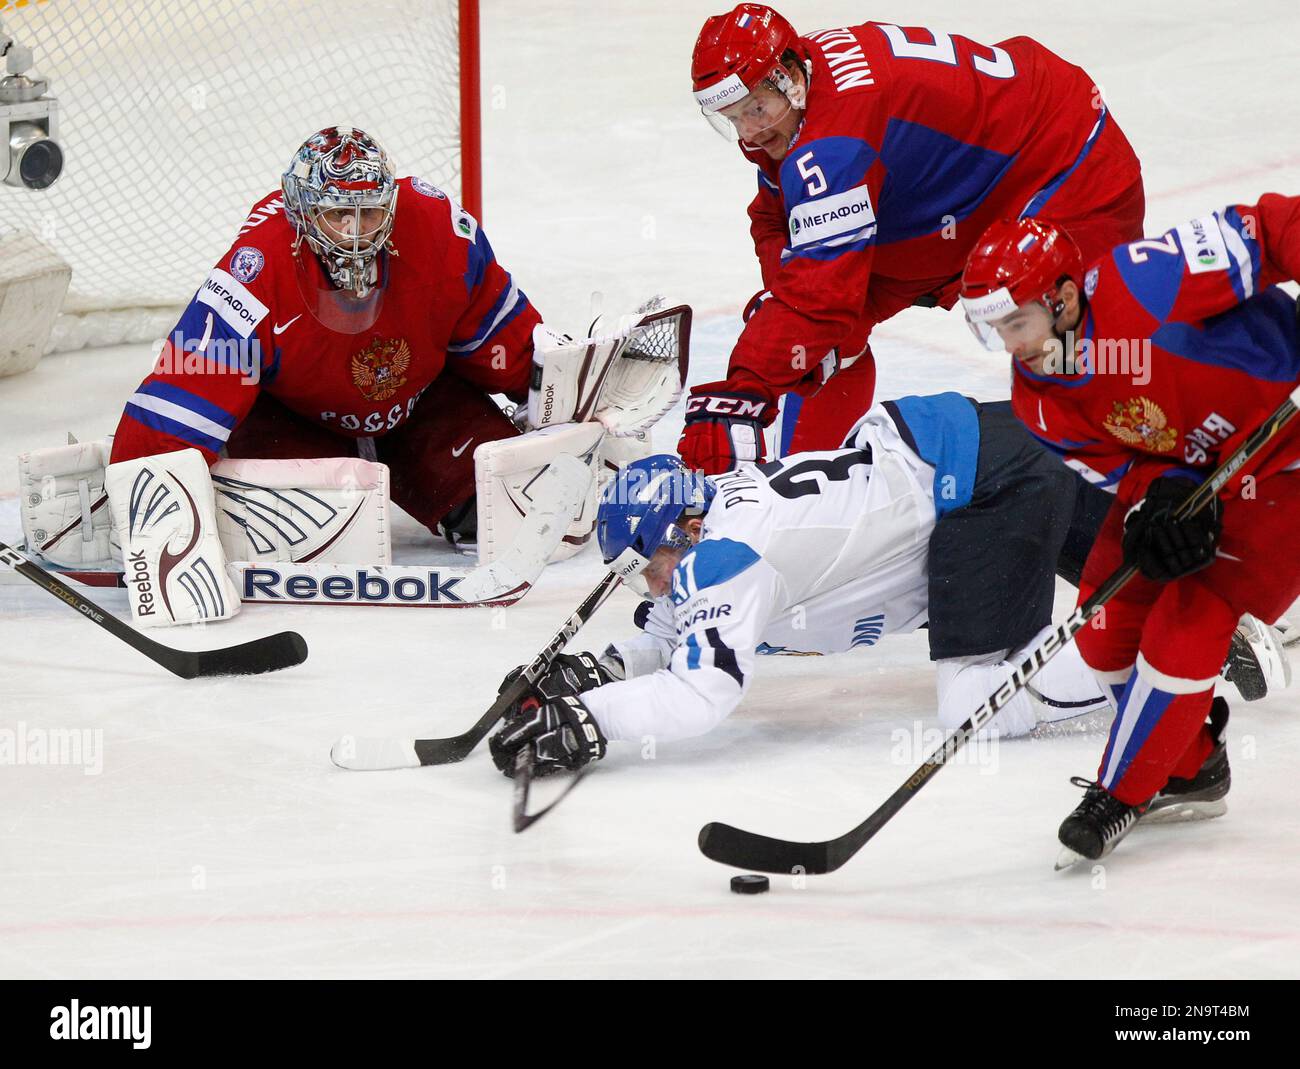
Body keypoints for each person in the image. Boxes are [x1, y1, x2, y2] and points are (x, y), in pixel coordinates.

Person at [488, 397, 1118, 778]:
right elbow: (681, 638)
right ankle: (1164, 626)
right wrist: (599, 672)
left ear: (686, 527)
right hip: (980, 452)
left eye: (650, 567)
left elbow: (702, 692)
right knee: (1145, 560)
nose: (654, 589)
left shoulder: (726, 558)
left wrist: (589, 719)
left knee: (975, 707)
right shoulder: (718, 527)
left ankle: (1143, 664)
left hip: (981, 490)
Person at [958, 195, 1300, 864]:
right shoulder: (1039, 400)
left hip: (1288, 468)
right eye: (996, 330)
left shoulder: (1149, 278)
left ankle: (1123, 790)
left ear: (1061, 298)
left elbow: (1270, 228)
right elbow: (1124, 471)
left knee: (1194, 614)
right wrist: (1154, 501)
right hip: (1204, 479)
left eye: (1019, 322)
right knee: (1103, 616)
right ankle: (1188, 766)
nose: (1014, 346)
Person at [679, 4, 1145, 475]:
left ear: (790, 78)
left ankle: (1148, 473)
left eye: (756, 109)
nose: (750, 132)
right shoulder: (802, 92)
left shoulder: (833, 142)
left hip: (1060, 156)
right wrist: (782, 319)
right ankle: (798, 493)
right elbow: (775, 218)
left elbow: (820, 296)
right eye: (732, 118)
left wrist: (746, 387)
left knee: (1068, 345)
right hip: (958, 188)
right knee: (816, 345)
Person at [110, 125, 540, 543]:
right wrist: (145, 511)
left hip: (418, 405)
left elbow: (503, 339)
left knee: (513, 504)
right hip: (294, 420)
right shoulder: (256, 268)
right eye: (338, 214)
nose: (355, 234)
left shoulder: (437, 228)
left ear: (391, 206)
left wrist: (557, 401)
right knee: (309, 537)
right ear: (301, 211)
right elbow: (186, 395)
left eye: (369, 212)